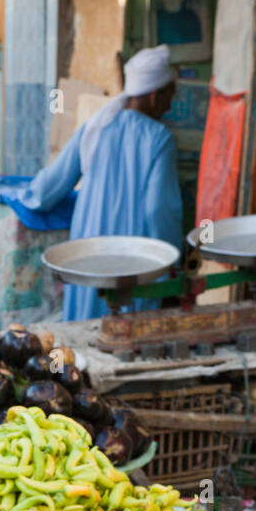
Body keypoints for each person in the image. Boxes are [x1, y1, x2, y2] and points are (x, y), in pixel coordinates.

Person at [24, 44, 183, 320]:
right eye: (170, 95)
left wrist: (23, 196)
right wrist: (172, 259)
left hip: (89, 249)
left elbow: (50, 186)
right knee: (126, 331)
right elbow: (159, 210)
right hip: (135, 256)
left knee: (84, 330)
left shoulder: (95, 127)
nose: (170, 104)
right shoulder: (160, 138)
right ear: (156, 95)